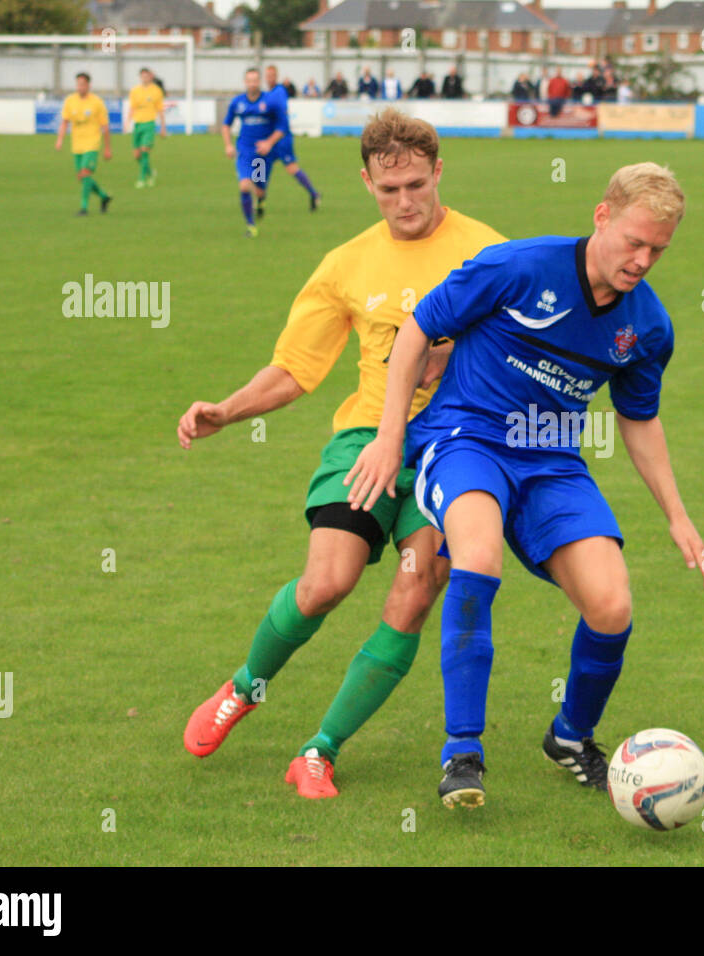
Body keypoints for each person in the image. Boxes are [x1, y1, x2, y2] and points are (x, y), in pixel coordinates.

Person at [343, 163, 704, 809]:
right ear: (602, 216)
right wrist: (388, 435)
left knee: (611, 604)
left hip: (552, 461)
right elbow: (419, 329)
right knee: (477, 559)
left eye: (658, 249)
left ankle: (570, 736)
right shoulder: (516, 266)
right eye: (634, 241)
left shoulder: (646, 326)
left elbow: (639, 419)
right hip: (467, 439)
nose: (643, 260)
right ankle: (462, 751)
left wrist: (678, 517)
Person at [180, 109, 507, 800]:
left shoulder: (489, 254)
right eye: (389, 191)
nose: (406, 203)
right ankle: (245, 687)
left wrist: (457, 352)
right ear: (366, 182)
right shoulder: (347, 264)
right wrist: (227, 410)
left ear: (439, 171)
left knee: (415, 590)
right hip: (365, 440)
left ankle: (319, 751)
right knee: (327, 583)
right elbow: (295, 369)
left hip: (454, 453)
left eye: (417, 185)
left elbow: (524, 351)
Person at [221, 67, 284, 238]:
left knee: (259, 191)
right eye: (249, 80)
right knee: (244, 185)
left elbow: (282, 127)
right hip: (245, 151)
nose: (252, 84)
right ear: (245, 82)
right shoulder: (238, 102)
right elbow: (226, 124)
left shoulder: (269, 102)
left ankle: (261, 201)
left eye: (255, 80)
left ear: (259, 81)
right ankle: (251, 225)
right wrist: (228, 145)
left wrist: (269, 142)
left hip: (261, 155)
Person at [263, 64, 321, 214]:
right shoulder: (267, 94)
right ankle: (259, 200)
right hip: (270, 137)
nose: (269, 78)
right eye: (267, 76)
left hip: (282, 138)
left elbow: (282, 111)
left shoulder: (279, 91)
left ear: (276, 77)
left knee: (291, 168)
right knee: (260, 164)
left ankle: (313, 193)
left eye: (272, 76)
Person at [54, 72, 112, 217]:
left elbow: (105, 126)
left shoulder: (97, 102)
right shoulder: (70, 101)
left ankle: (83, 208)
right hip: (77, 144)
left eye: (82, 84)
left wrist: (107, 148)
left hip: (92, 143)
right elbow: (64, 122)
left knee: (85, 172)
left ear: (88, 85)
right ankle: (104, 197)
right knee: (82, 177)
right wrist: (60, 140)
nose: (80, 87)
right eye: (78, 84)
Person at [128, 67, 166, 188]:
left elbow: (160, 110)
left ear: (150, 76)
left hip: (149, 124)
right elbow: (132, 107)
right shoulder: (135, 91)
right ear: (140, 77)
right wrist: (127, 121)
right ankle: (150, 173)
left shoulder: (156, 91)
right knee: (137, 155)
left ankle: (141, 179)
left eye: (146, 75)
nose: (144, 78)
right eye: (142, 76)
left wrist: (163, 127)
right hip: (137, 124)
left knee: (145, 151)